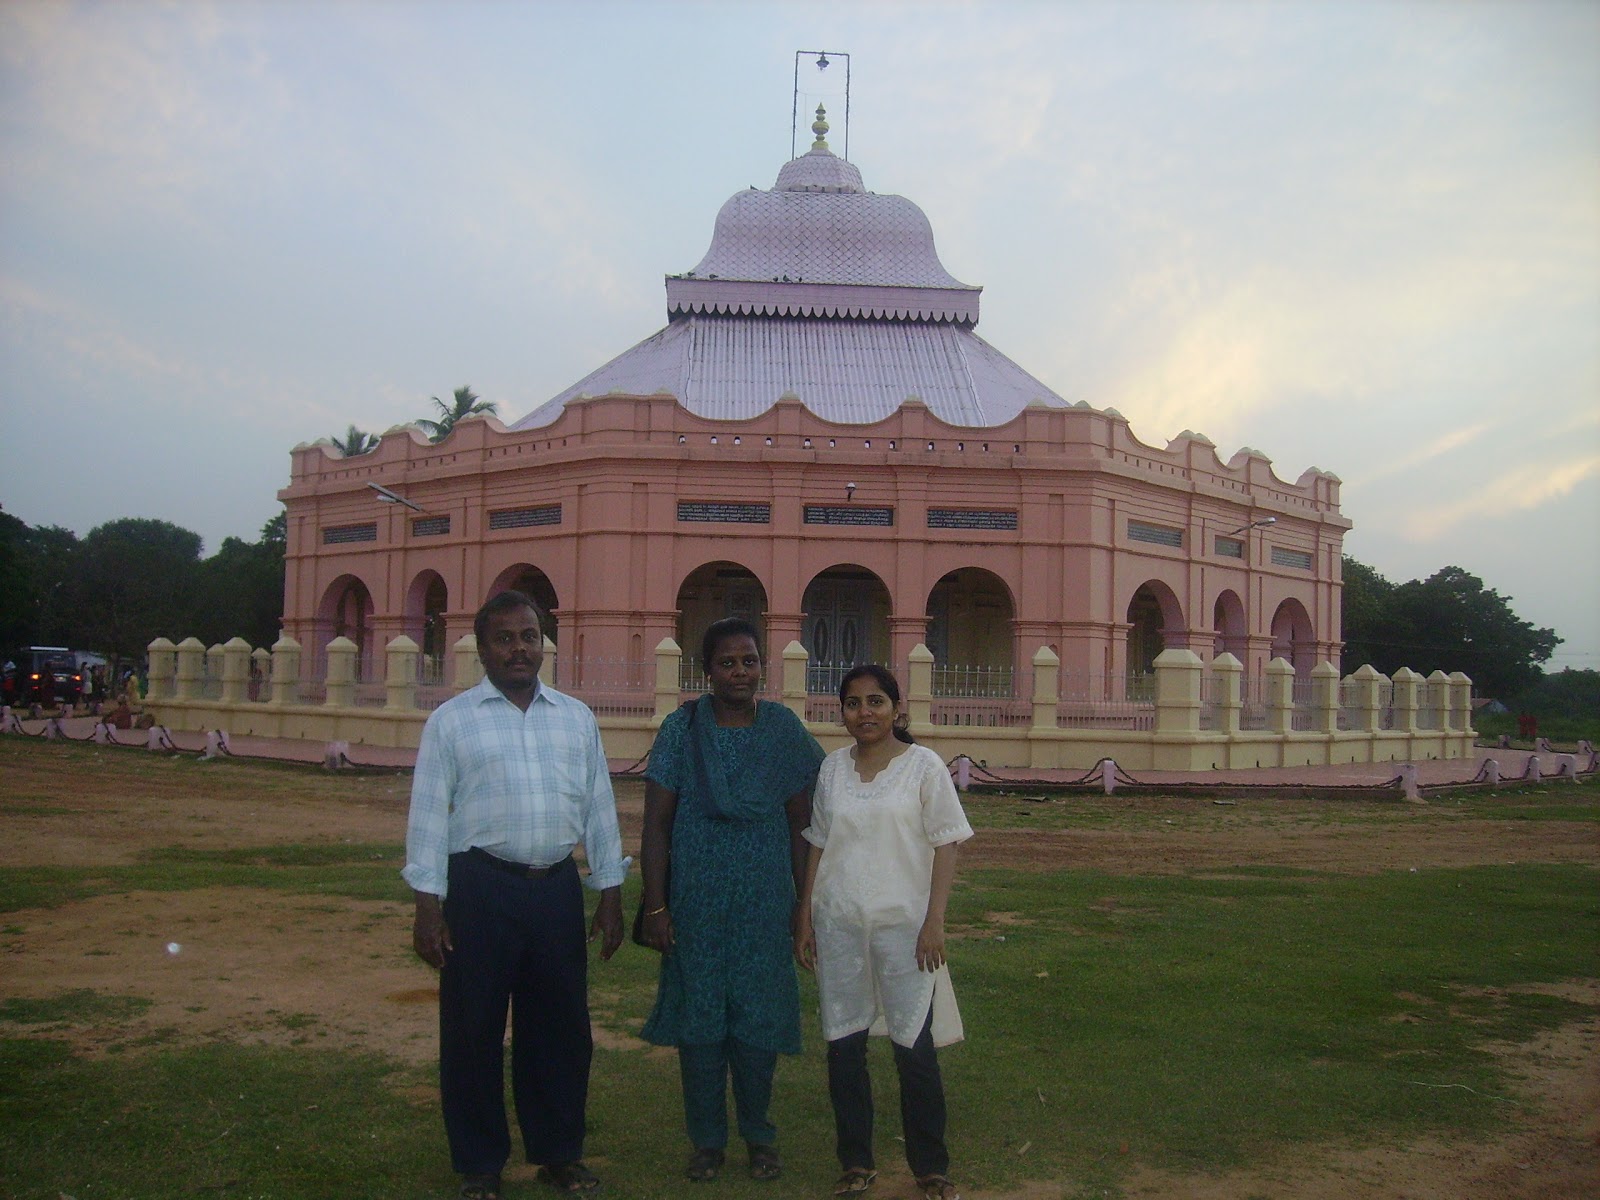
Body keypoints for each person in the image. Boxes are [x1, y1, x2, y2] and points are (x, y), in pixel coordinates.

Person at [403, 590, 626, 1200]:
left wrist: (610, 890)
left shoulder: (575, 717)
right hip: (480, 889)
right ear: (482, 648)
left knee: (560, 1031)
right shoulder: (452, 720)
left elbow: (598, 806)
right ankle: (479, 1164)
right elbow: (428, 814)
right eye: (505, 638)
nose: (519, 648)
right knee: (472, 1029)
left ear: (542, 642)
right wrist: (428, 905)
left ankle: (559, 1153)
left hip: (555, 891)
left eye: (529, 636)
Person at [638, 617, 824, 1182]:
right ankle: (707, 1141)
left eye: (749, 662)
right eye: (727, 662)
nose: (740, 673)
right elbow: (657, 825)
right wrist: (655, 906)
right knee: (700, 1022)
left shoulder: (783, 729)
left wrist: (802, 905)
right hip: (695, 900)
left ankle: (759, 1136)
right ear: (707, 671)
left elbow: (801, 823)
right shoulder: (681, 728)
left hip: (763, 900)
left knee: (758, 1019)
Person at [795, 665, 973, 1200]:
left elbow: (947, 841)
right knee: (843, 1045)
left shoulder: (923, 767)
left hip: (906, 929)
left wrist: (934, 921)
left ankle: (931, 1168)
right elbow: (818, 843)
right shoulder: (832, 770)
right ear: (842, 712)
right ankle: (855, 1162)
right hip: (840, 924)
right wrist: (805, 916)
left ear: (897, 708)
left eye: (875, 701)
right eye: (852, 703)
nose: (864, 713)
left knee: (913, 1047)